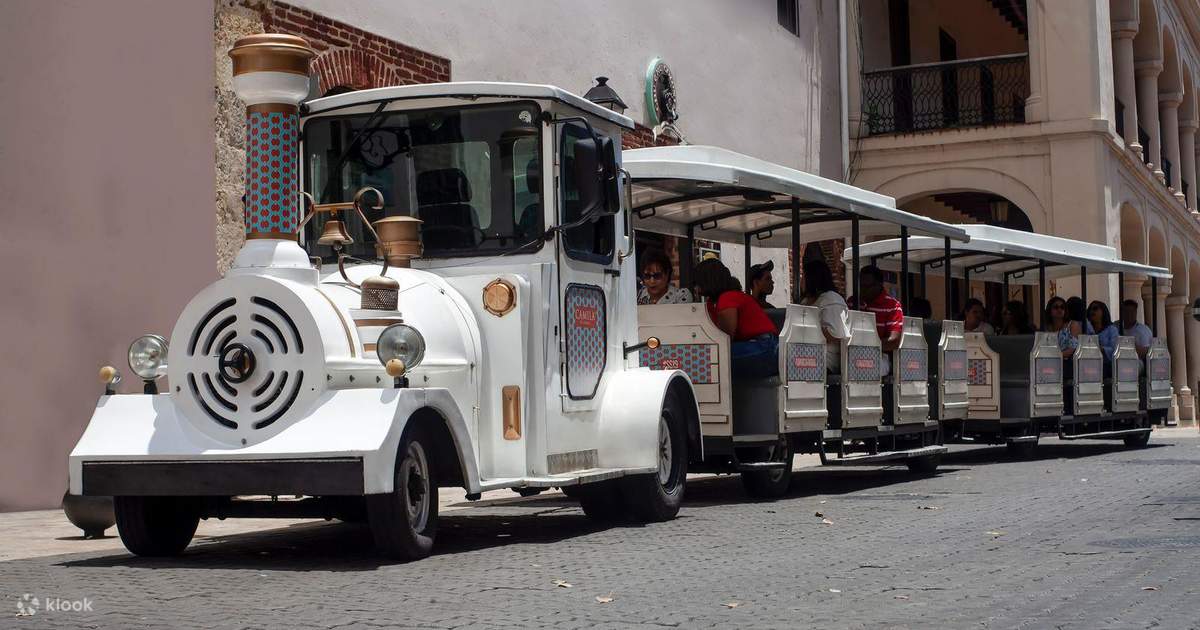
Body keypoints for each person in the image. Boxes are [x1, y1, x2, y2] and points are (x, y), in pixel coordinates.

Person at [693, 258, 778, 378]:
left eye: (698, 282)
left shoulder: (728, 298)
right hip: (759, 346)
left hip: (766, 347)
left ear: (708, 280)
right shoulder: (713, 303)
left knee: (709, 359)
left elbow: (724, 339)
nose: (695, 287)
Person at [799, 259, 850, 372]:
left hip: (825, 359)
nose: (801, 280)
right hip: (804, 353)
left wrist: (811, 330)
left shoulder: (831, 299)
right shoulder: (806, 301)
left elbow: (836, 334)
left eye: (803, 276)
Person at [849, 265, 904, 353]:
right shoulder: (852, 301)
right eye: (861, 286)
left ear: (879, 285)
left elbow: (894, 340)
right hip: (851, 353)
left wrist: (867, 348)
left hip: (880, 355)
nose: (862, 290)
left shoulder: (892, 306)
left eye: (867, 286)